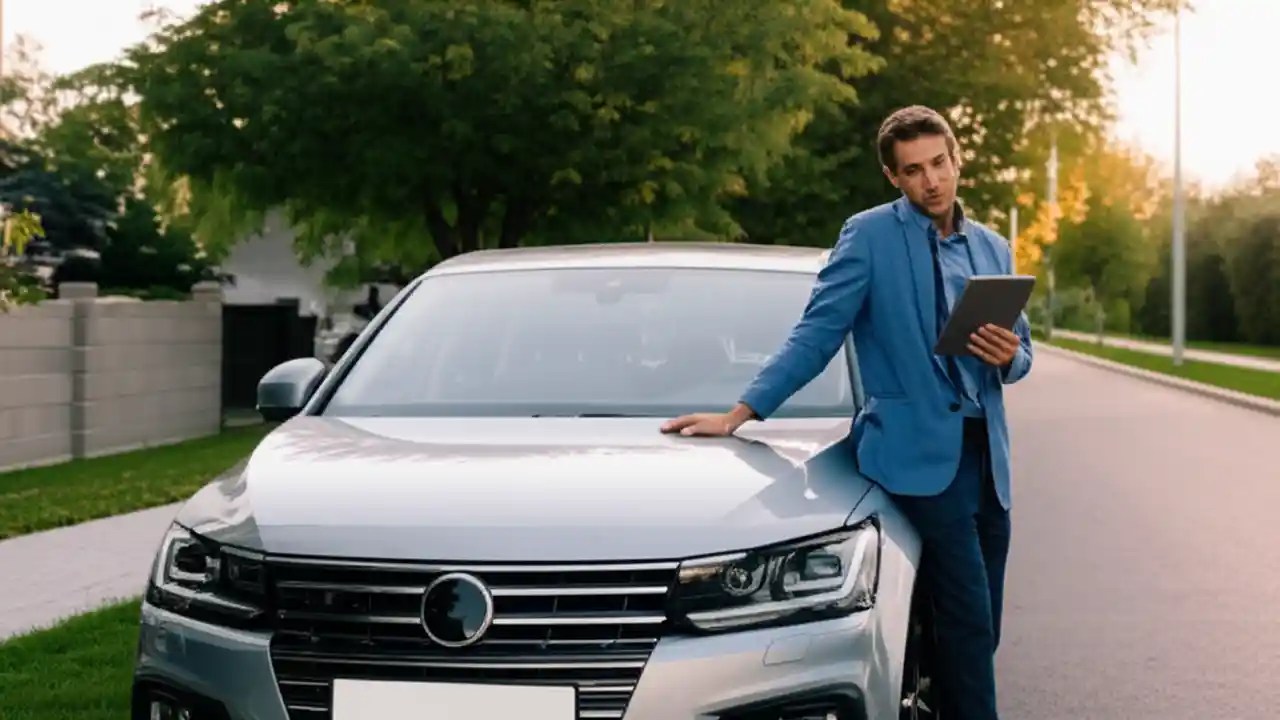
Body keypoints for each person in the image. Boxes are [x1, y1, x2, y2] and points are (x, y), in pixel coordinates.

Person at [660, 104, 1033, 720]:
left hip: (986, 460)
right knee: (967, 614)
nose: (931, 181)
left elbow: (1021, 351)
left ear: (956, 158)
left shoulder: (992, 247)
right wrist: (740, 413)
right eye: (913, 171)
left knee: (981, 624)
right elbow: (817, 332)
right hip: (913, 454)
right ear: (894, 178)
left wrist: (1010, 356)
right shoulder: (868, 236)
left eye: (939, 164)